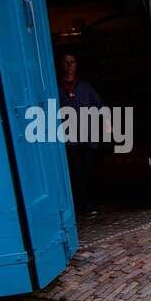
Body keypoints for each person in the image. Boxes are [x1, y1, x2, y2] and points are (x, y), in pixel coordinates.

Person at [58, 51, 105, 215]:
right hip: (69, 139)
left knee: (87, 173)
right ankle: (82, 206)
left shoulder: (85, 86)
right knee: (75, 174)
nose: (69, 66)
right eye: (66, 62)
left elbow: (100, 106)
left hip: (87, 136)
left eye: (72, 62)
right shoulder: (56, 87)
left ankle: (89, 203)